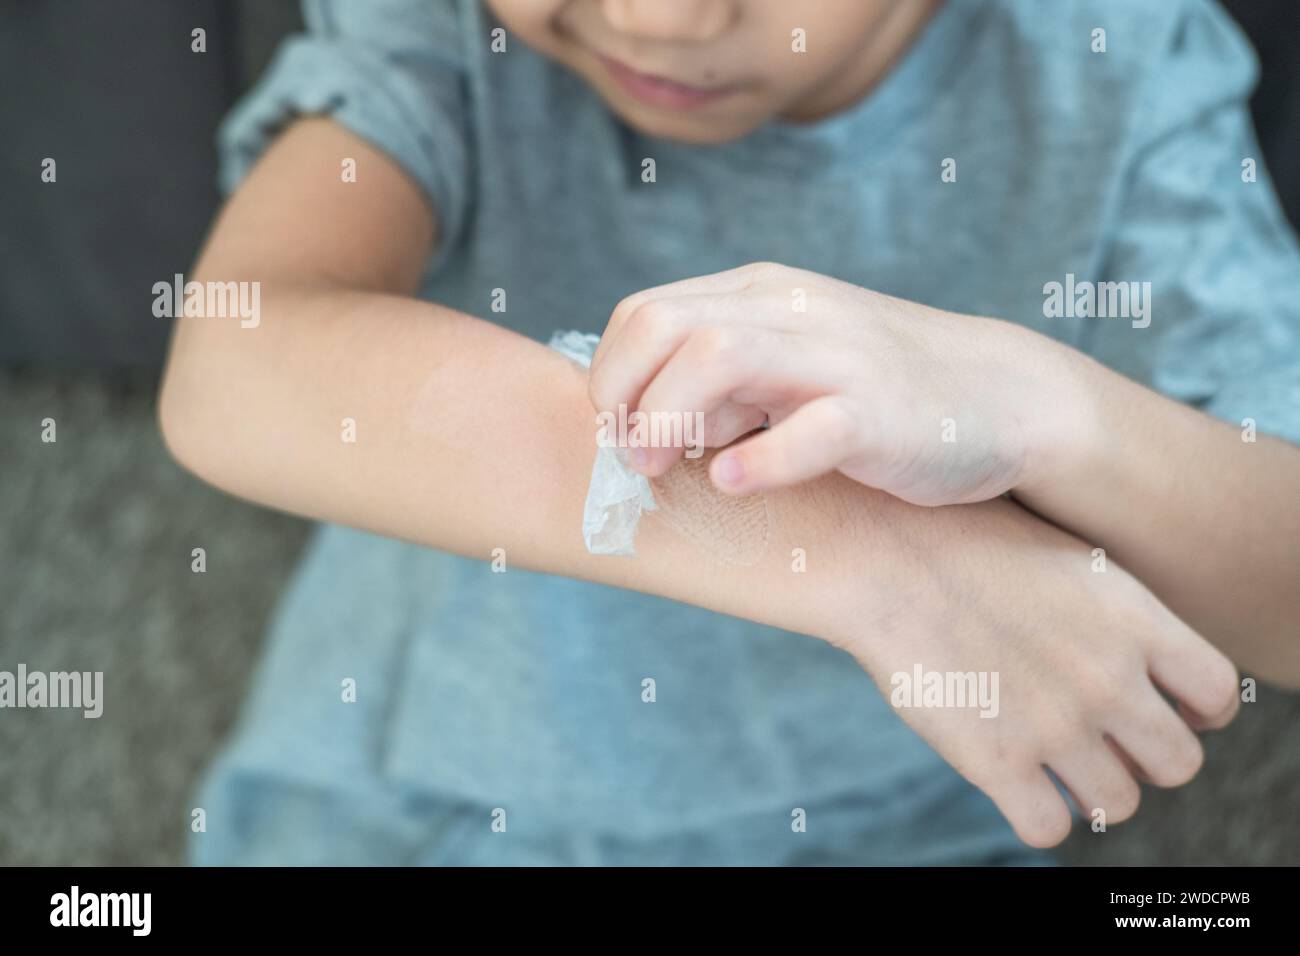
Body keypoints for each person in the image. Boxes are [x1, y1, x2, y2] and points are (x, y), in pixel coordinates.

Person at [159, 0, 1300, 865]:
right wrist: (861, 550)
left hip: (897, 815)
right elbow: (235, 356)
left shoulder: (1117, 60)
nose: (661, 20)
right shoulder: (446, 34)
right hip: (422, 785)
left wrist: (1039, 405)